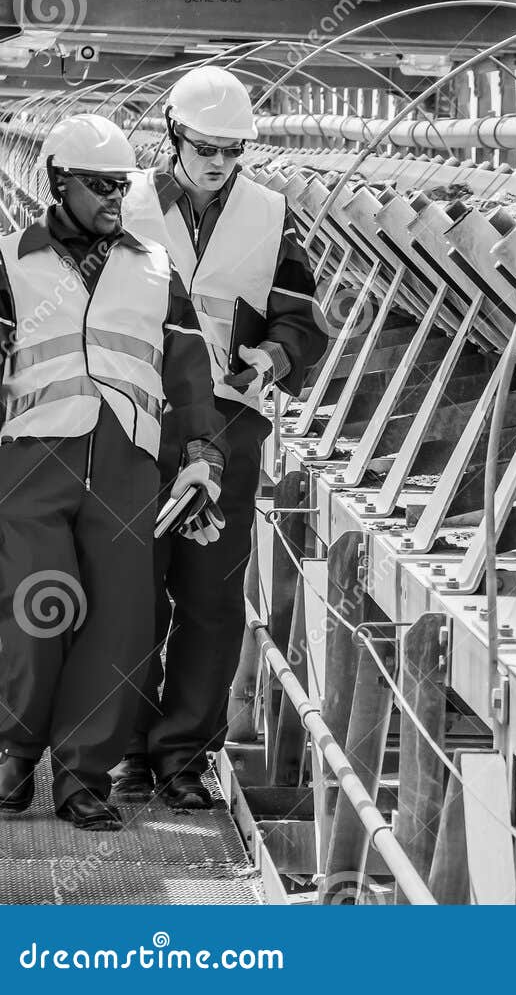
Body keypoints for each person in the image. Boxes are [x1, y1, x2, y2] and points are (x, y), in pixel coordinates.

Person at [0, 114, 224, 832]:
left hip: (128, 469)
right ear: (57, 182)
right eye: (98, 186)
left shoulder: (156, 270)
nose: (113, 199)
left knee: (123, 628)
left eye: (122, 186)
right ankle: (12, 754)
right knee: (32, 617)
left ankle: (81, 778)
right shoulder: (9, 262)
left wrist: (198, 461)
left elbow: (190, 380)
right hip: (31, 465)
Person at [115, 65, 327, 809]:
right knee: (131, 594)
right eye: (206, 146)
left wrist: (276, 352)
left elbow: (300, 314)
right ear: (173, 134)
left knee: (209, 599)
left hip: (230, 430)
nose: (219, 161)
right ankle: (128, 751)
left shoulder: (271, 214)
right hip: (138, 429)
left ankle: (182, 757)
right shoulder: (126, 204)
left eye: (234, 149)